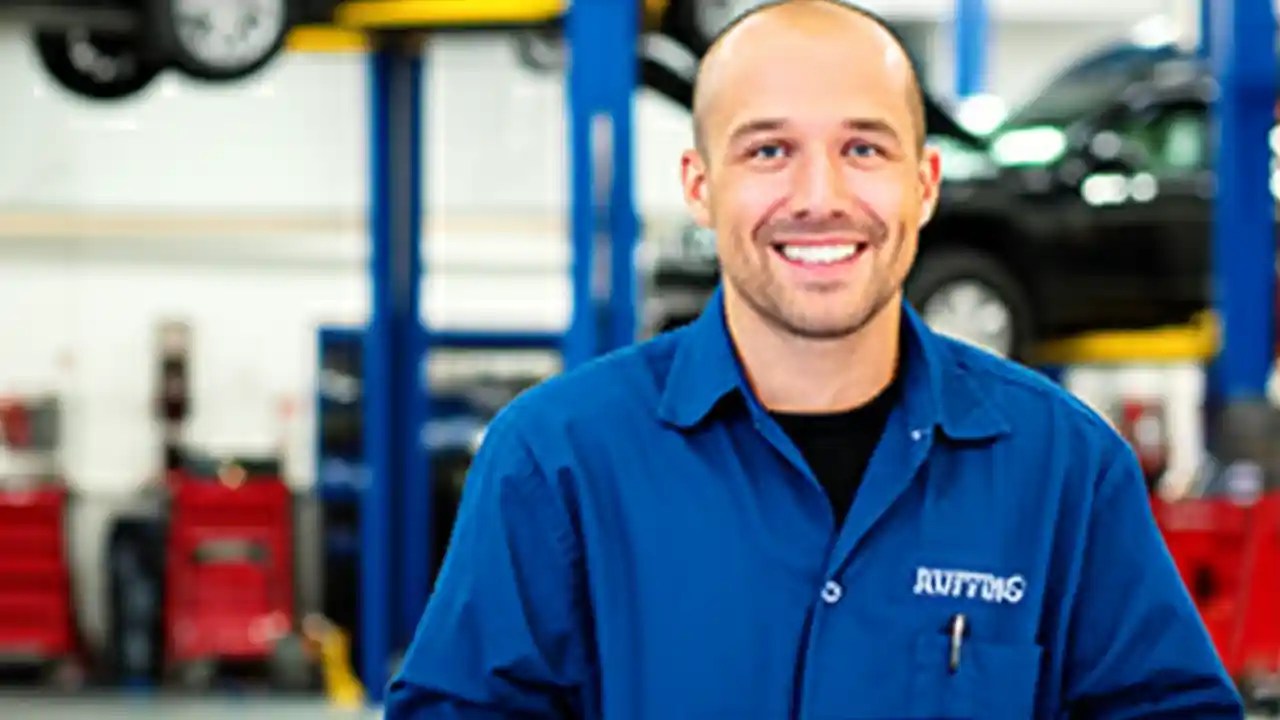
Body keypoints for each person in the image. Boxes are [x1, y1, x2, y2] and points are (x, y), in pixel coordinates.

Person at [385, 1, 1242, 717]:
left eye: (863, 148)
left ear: (926, 182)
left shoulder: (1063, 470)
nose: (821, 198)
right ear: (699, 184)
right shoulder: (558, 460)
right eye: (768, 151)